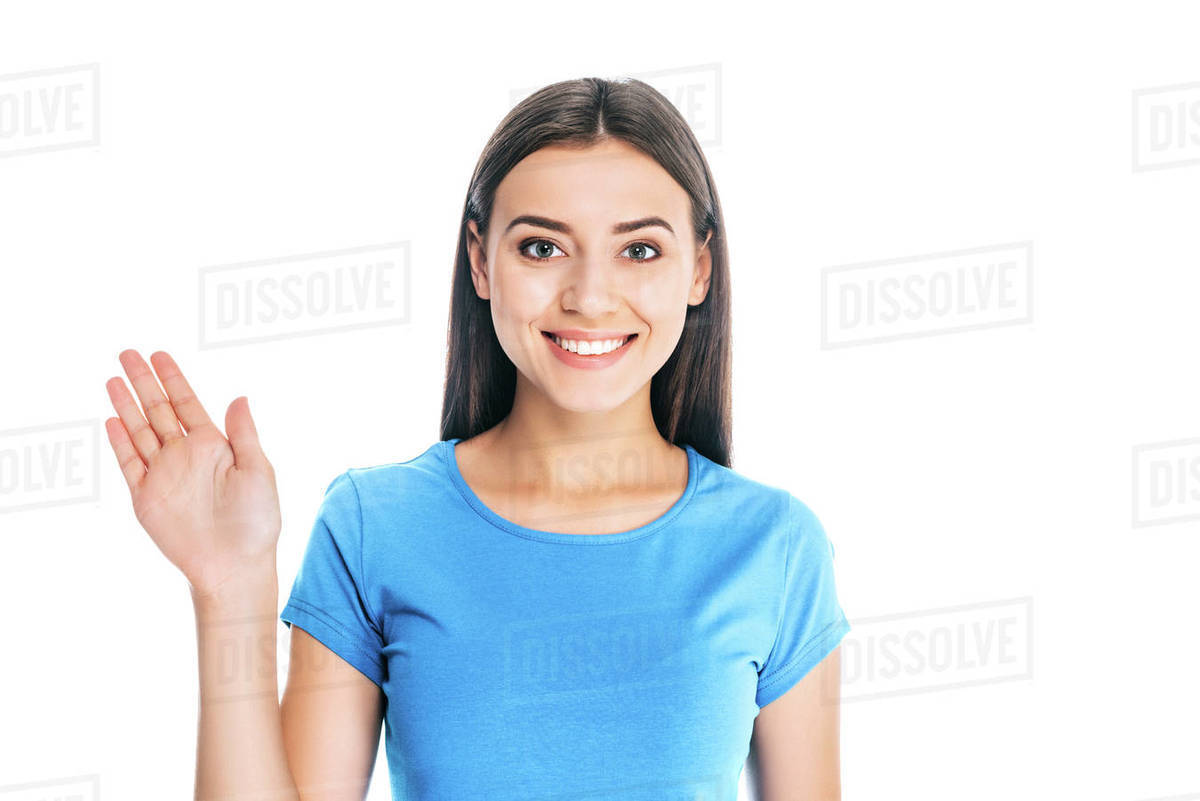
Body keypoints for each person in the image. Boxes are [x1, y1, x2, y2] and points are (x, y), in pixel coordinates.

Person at [103, 76, 850, 801]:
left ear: (701, 269)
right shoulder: (374, 525)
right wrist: (229, 586)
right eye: (541, 248)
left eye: (640, 250)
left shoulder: (775, 547)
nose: (590, 296)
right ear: (478, 259)